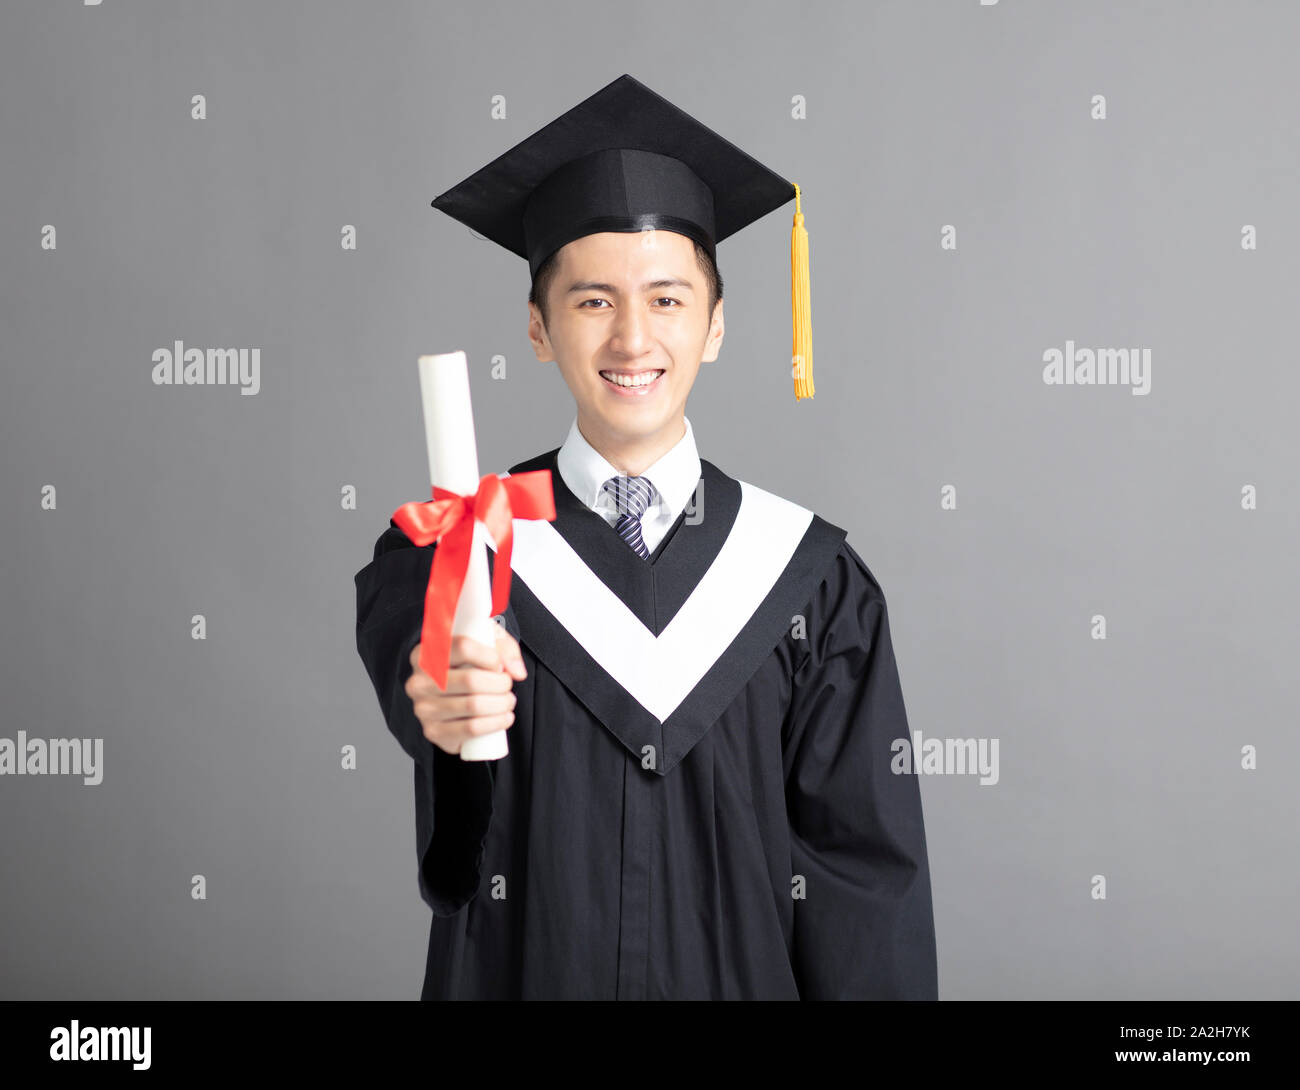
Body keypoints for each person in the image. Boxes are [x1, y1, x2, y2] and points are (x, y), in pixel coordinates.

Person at [354, 73, 938, 1000]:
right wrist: (439, 694)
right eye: (592, 302)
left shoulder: (813, 584)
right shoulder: (458, 551)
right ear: (539, 330)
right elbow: (419, 676)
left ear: (714, 327)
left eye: (667, 300)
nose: (632, 339)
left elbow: (862, 882)